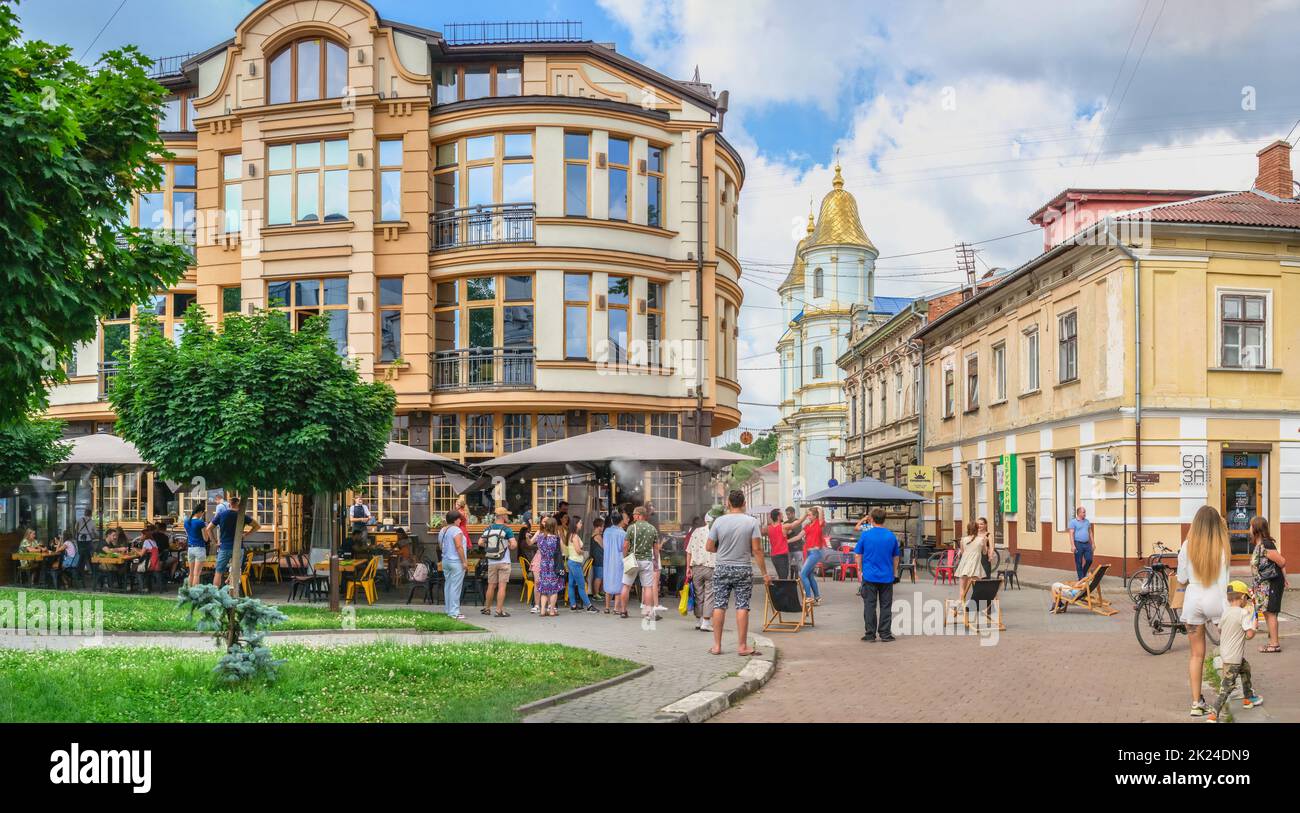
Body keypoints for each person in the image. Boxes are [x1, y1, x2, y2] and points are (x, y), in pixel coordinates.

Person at [1177, 505, 1231, 717]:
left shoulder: (1187, 545)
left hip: (1193, 599)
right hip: (1216, 598)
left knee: (1196, 655)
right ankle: (1230, 693)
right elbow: (1225, 581)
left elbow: (1181, 578)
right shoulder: (1222, 545)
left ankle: (1196, 702)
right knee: (1228, 648)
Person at [707, 490, 769, 656]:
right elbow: (757, 549)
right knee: (742, 606)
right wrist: (764, 573)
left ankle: (717, 646)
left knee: (719, 605)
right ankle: (742, 647)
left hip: (721, 568)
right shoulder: (751, 522)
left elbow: (709, 547)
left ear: (728, 503)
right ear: (744, 504)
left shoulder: (718, 522)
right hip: (742, 568)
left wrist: (723, 549)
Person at [1207, 580, 1265, 723]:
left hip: (1226, 653)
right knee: (1227, 687)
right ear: (1244, 598)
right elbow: (1249, 635)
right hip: (1234, 658)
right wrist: (1254, 626)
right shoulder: (1243, 613)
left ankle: (1248, 697)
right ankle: (1214, 713)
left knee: (1245, 669)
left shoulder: (1226, 613)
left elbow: (1220, 629)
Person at [854, 507, 901, 642]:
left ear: (872, 520)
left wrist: (860, 569)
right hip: (886, 577)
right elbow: (896, 558)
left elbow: (859, 555)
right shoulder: (891, 536)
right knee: (886, 606)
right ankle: (885, 634)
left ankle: (870, 634)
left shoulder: (866, 535)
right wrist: (894, 573)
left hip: (869, 576)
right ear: (884, 519)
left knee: (870, 605)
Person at [1249, 515, 1287, 653]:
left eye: (1250, 526)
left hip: (1271, 583)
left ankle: (1274, 644)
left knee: (1271, 612)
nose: (1249, 529)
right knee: (1267, 612)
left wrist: (1285, 578)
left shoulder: (1266, 545)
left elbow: (1281, 562)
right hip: (1264, 584)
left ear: (1256, 529)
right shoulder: (1260, 545)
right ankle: (1272, 641)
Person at [211, 497, 260, 589]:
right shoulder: (242, 516)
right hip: (238, 547)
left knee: (218, 572)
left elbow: (208, 528)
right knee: (235, 571)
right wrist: (246, 535)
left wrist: (215, 542)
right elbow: (257, 526)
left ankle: (215, 594)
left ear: (229, 504)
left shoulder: (221, 514)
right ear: (239, 505)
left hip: (224, 547)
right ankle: (233, 593)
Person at [622, 506, 660, 620]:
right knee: (647, 587)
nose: (633, 516)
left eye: (634, 514)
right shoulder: (652, 529)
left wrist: (625, 558)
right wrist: (656, 561)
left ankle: (623, 611)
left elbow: (625, 546)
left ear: (639, 515)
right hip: (646, 561)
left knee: (626, 586)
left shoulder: (631, 528)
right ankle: (648, 613)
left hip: (632, 560)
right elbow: (656, 548)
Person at [481, 506, 517, 618]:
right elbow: (514, 545)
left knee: (491, 586)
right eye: (506, 515)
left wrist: (490, 546)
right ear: (502, 516)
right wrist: (509, 546)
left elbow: (480, 542)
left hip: (492, 561)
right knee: (502, 587)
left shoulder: (489, 528)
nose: (508, 517)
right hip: (504, 561)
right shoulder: (507, 529)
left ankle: (487, 608)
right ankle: (499, 610)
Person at [685, 513, 717, 631]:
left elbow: (689, 551)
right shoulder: (716, 532)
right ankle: (706, 622)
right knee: (709, 594)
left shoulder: (696, 531)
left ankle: (698, 621)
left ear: (705, 520)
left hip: (696, 568)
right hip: (711, 567)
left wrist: (688, 568)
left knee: (698, 594)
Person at [953, 517, 990, 608]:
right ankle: (977, 605)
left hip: (964, 566)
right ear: (977, 529)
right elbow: (985, 553)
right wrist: (985, 543)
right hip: (975, 567)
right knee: (978, 588)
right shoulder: (981, 539)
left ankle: (962, 606)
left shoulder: (963, 539)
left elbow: (962, 552)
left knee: (962, 588)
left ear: (968, 529)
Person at [438, 509, 468, 620]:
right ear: (456, 520)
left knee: (448, 585)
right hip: (456, 562)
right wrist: (464, 561)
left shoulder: (443, 530)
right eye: (460, 518)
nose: (461, 520)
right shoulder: (456, 530)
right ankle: (454, 612)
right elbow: (459, 546)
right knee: (456, 587)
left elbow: (441, 546)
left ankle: (448, 609)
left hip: (446, 561)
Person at [533, 516, 564, 616]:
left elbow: (538, 548)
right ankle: (551, 611)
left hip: (543, 564)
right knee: (553, 589)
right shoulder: (556, 539)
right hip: (553, 565)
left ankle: (542, 610)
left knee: (544, 589)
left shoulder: (540, 537)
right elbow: (561, 552)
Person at [566, 517, 597, 612]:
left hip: (571, 561)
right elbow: (578, 550)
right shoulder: (575, 536)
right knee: (581, 585)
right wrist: (585, 552)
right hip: (575, 562)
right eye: (580, 522)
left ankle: (573, 605)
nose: (581, 524)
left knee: (571, 585)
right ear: (575, 524)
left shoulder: (570, 535)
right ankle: (589, 606)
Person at [797, 507, 826, 605]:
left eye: (809, 515)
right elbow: (799, 536)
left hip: (815, 552)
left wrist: (819, 508)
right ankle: (817, 598)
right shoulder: (808, 526)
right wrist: (786, 541)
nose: (808, 517)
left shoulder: (819, 523)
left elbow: (821, 515)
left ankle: (808, 598)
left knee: (803, 574)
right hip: (808, 553)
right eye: (807, 515)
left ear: (815, 515)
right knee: (809, 575)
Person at [603, 510, 628, 615]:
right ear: (621, 521)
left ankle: (607, 607)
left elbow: (604, 546)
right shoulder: (623, 533)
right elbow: (624, 548)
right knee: (618, 583)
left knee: (608, 581)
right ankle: (616, 608)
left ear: (612, 520)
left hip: (608, 558)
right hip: (619, 559)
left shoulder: (606, 531)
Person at [1065, 506, 1094, 579]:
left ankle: (1083, 574)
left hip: (1087, 544)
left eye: (1085, 512)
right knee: (1079, 562)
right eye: (1084, 512)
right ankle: (1081, 578)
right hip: (1078, 544)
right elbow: (1071, 534)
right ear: (1079, 513)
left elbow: (1090, 532)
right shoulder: (1073, 522)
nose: (1085, 514)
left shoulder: (1087, 521)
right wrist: (1072, 545)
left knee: (1089, 560)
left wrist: (1093, 543)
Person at [184, 504, 208, 586]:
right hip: (199, 548)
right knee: (197, 574)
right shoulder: (200, 522)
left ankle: (189, 592)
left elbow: (188, 534)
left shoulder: (186, 521)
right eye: (202, 513)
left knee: (191, 573)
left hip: (190, 548)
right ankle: (195, 594)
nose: (202, 515)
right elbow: (206, 538)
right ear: (200, 512)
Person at [766, 508, 789, 580]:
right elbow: (797, 523)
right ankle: (781, 591)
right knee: (783, 577)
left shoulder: (768, 528)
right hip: (782, 555)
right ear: (778, 516)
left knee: (781, 576)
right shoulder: (783, 526)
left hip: (774, 556)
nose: (783, 515)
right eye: (782, 514)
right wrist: (805, 515)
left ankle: (782, 590)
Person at [783, 506, 805, 580]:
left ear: (793, 513)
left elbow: (793, 533)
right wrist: (788, 531)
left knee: (800, 566)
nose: (787, 516)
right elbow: (785, 533)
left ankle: (801, 582)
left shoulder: (797, 522)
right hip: (788, 548)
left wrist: (788, 531)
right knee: (786, 567)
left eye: (789, 514)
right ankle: (788, 582)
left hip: (797, 548)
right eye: (786, 514)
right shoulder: (785, 523)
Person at [588, 515, 606, 601]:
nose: (603, 528)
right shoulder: (597, 536)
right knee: (598, 577)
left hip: (596, 558)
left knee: (598, 576)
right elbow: (604, 546)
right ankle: (596, 594)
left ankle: (598, 592)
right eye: (602, 526)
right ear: (598, 527)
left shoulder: (593, 535)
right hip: (599, 559)